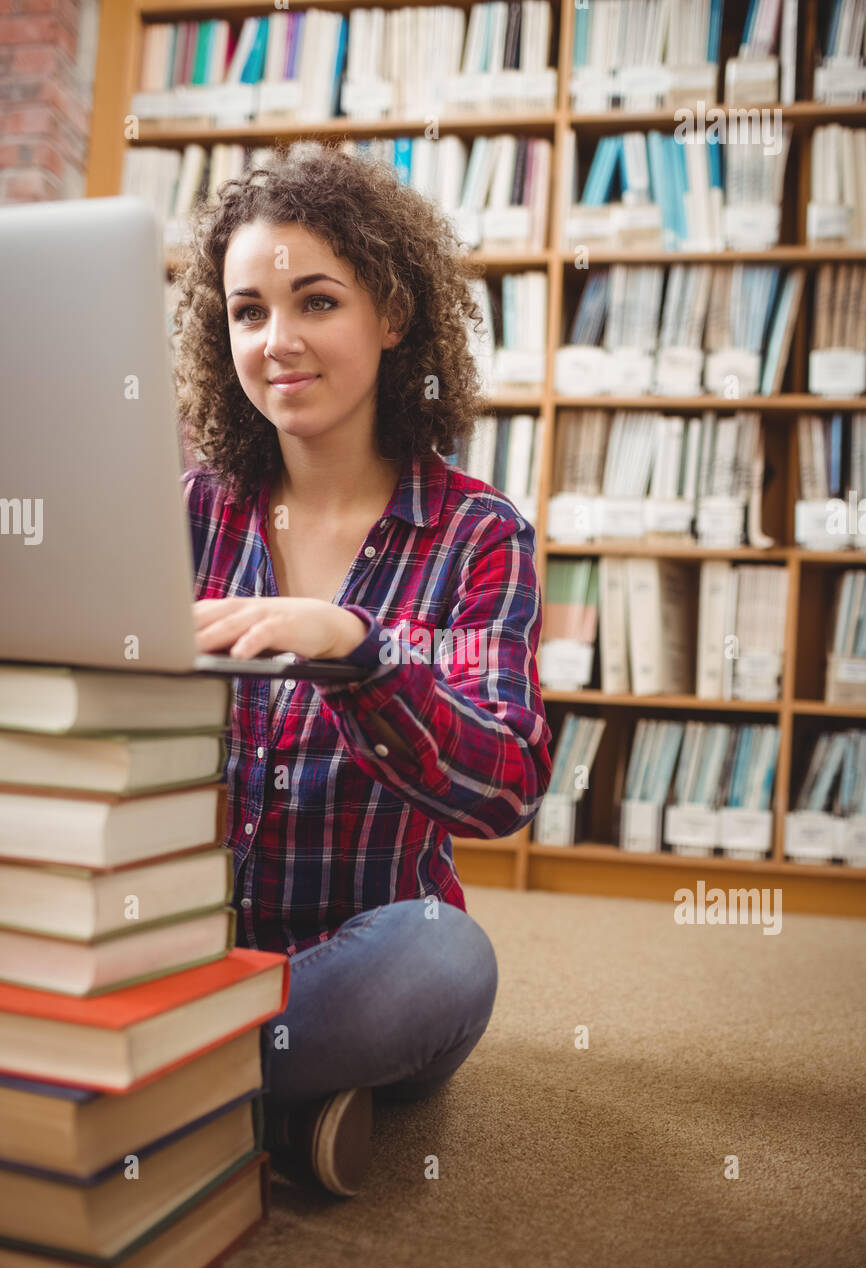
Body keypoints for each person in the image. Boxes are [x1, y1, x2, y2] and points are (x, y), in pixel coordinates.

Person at [172, 142, 552, 1197]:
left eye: (315, 302)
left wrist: (358, 654)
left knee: (446, 957)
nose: (276, 341)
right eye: (247, 312)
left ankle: (151, 1091)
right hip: (179, 944)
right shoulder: (188, 514)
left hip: (364, 960)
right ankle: (266, 1112)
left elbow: (504, 784)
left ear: (392, 313)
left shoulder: (477, 534)